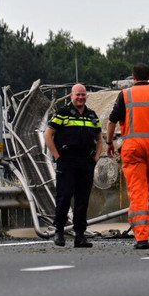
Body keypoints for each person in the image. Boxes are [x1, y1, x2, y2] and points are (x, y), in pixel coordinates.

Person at [104, 64, 149, 250]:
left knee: (138, 191)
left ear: (133, 77)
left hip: (133, 148)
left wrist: (109, 143)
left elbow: (112, 120)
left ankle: (142, 238)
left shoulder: (125, 95)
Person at [45, 83, 102, 248]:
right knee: (64, 196)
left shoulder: (92, 115)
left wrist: (96, 158)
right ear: (71, 96)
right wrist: (57, 156)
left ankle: (80, 235)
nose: (80, 98)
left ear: (86, 96)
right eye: (78, 95)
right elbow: (48, 134)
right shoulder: (62, 113)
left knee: (82, 199)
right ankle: (59, 231)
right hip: (67, 160)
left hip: (86, 161)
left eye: (83, 95)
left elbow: (99, 139)